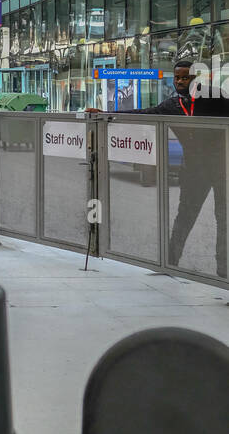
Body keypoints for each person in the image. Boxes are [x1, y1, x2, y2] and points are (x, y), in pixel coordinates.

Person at [91, 55, 228, 274]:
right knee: (185, 216)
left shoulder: (214, 97)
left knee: (224, 219)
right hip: (193, 171)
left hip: (223, 169)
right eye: (177, 78)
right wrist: (105, 114)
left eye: (186, 77)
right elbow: (144, 114)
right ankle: (170, 264)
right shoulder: (172, 105)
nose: (180, 81)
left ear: (196, 77)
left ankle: (224, 275)